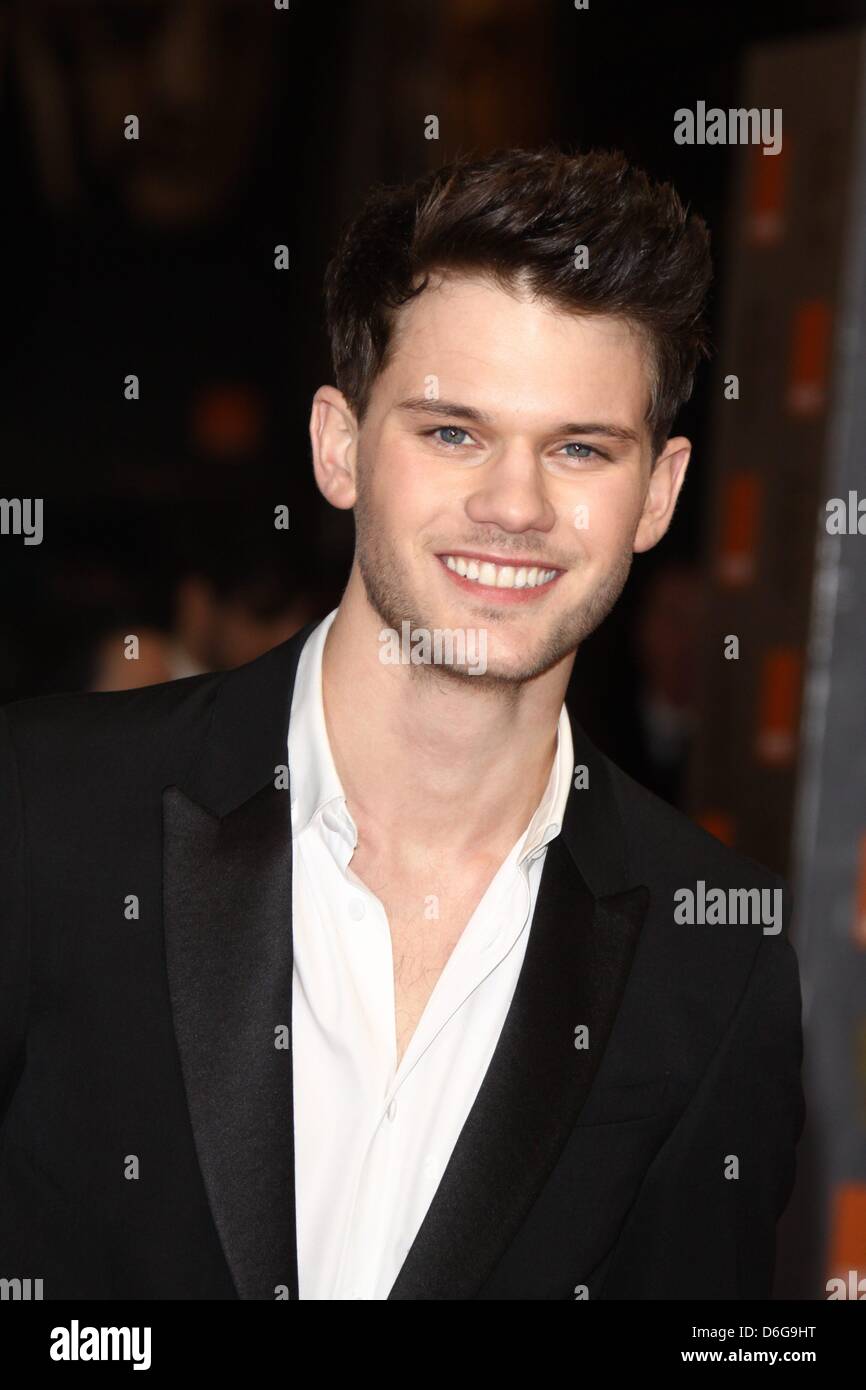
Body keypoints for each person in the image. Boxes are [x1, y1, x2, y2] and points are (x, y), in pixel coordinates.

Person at [0, 147, 804, 1300]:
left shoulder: (715, 966)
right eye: (450, 433)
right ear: (339, 447)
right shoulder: (48, 811)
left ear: (660, 494)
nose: (513, 506)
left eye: (579, 449)